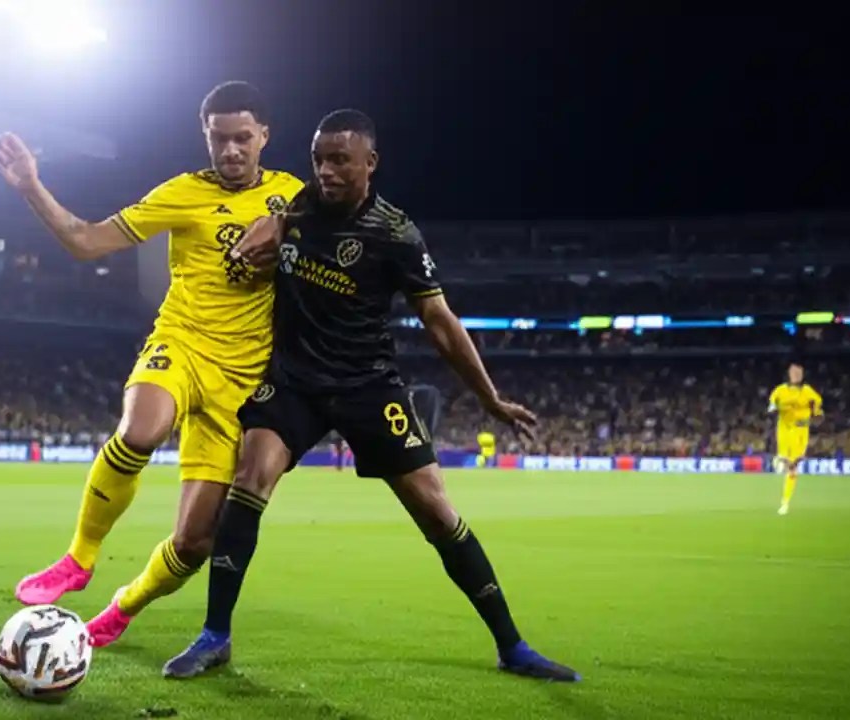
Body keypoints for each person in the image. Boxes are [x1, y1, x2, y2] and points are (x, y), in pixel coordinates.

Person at [162, 109, 580, 682]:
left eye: (339, 160)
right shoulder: (297, 207)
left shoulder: (395, 234)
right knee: (250, 477)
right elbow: (271, 215)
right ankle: (215, 635)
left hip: (368, 385)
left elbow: (440, 321)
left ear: (369, 163)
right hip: (294, 382)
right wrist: (275, 221)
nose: (326, 171)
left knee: (436, 509)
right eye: (318, 159)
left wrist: (489, 399)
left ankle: (512, 644)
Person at [0, 81, 304, 645]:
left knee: (194, 542)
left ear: (264, 136)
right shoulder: (182, 192)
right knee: (142, 428)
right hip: (181, 342)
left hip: (243, 377)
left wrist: (287, 227)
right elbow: (87, 242)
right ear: (204, 137)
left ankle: (122, 607)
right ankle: (78, 558)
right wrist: (32, 187)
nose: (230, 150)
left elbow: (341, 243)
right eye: (218, 139)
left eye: (241, 138)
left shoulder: (295, 196)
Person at [768, 362, 823, 515]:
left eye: (799, 372)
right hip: (785, 429)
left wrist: (816, 412)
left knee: (795, 464)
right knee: (791, 465)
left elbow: (818, 403)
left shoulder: (807, 391)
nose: (796, 375)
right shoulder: (781, 390)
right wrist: (773, 407)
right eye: (793, 372)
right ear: (789, 374)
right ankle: (784, 502)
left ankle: (785, 499)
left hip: (801, 430)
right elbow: (772, 401)